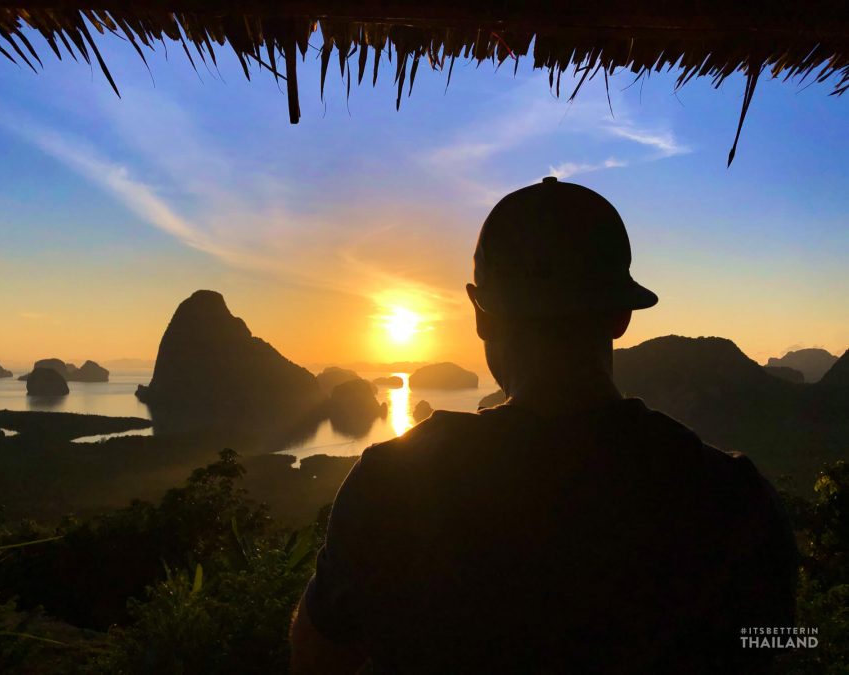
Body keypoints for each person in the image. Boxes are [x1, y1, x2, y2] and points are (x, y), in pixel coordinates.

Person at [290, 178, 798, 674]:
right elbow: (772, 645)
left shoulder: (392, 486)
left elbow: (317, 658)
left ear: (480, 313)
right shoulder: (734, 497)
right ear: (622, 313)